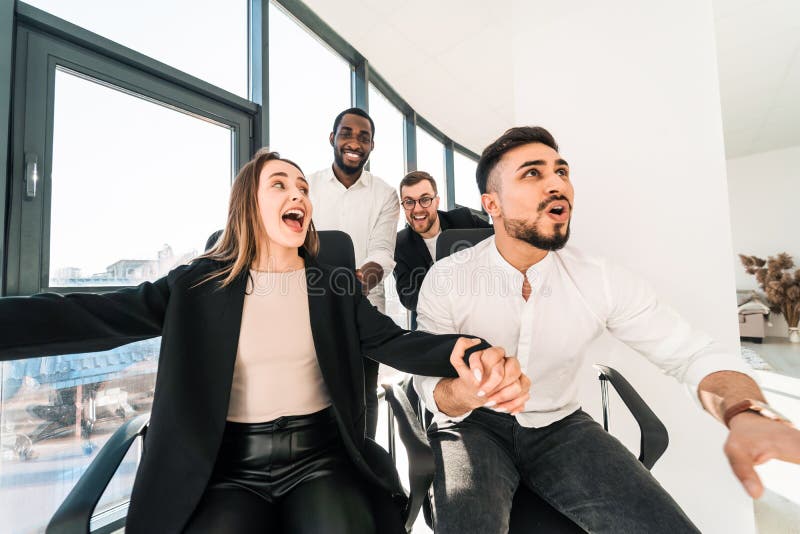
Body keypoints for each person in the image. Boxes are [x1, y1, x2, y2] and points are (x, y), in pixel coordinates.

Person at [0, 149, 528, 534]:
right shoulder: (198, 286)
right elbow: (93, 315)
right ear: (247, 204)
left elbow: (392, 340)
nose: (298, 194)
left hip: (320, 456)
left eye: (302, 188)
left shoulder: (331, 284)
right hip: (228, 467)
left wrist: (462, 349)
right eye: (281, 184)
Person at [413, 127, 800, 533]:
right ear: (492, 204)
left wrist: (745, 411)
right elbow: (428, 382)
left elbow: (690, 353)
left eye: (561, 172)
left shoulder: (600, 279)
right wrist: (465, 392)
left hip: (561, 427)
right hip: (473, 427)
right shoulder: (447, 278)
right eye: (533, 173)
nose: (557, 184)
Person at [307, 107, 400, 439]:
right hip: (311, 308)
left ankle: (366, 473)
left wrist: (360, 280)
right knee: (314, 400)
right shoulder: (307, 187)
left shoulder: (385, 194)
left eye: (364, 137)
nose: (355, 142)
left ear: (372, 146)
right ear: (333, 138)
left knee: (363, 403)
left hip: (365, 314)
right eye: (347, 133)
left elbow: (381, 252)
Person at [393, 170, 490, 315]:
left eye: (425, 199)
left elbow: (500, 237)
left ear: (437, 202)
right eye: (409, 202)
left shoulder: (464, 219)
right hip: (435, 321)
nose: (417, 209)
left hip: (481, 311)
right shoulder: (400, 244)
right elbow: (408, 297)